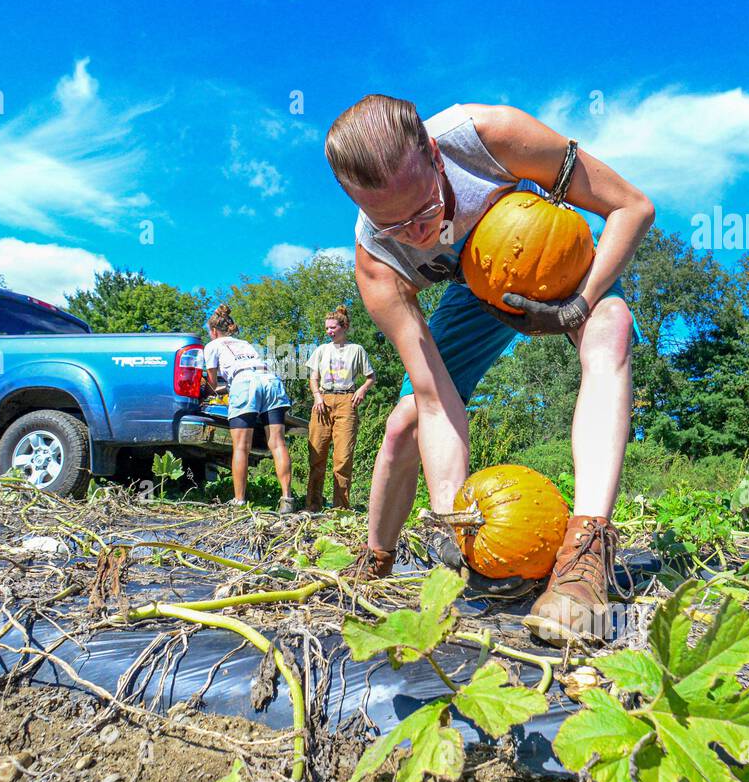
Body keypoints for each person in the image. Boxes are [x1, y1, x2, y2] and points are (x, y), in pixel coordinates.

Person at [324, 96, 653, 645]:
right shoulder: (377, 263)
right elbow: (433, 401)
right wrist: (455, 518)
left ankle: (586, 555)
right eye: (395, 225)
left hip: (551, 260)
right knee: (403, 423)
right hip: (475, 293)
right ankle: (375, 559)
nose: (418, 233)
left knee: (610, 327)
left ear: (433, 155)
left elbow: (632, 208)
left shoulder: (486, 137)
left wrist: (579, 304)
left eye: (426, 210)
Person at [202, 303, 298, 513]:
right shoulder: (244, 343)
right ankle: (287, 499)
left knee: (241, 447)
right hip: (270, 381)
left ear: (214, 331)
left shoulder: (212, 346)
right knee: (278, 443)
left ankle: (239, 501)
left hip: (244, 383)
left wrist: (208, 392)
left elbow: (212, 385)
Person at [306, 305, 375, 511]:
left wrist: (362, 390)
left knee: (343, 459)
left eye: (332, 327)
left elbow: (371, 377)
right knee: (317, 455)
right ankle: (313, 506)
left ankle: (340, 509)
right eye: (327, 328)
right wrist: (317, 396)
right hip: (323, 402)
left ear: (343, 326)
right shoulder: (321, 350)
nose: (329, 331)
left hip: (347, 402)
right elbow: (313, 378)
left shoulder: (357, 350)